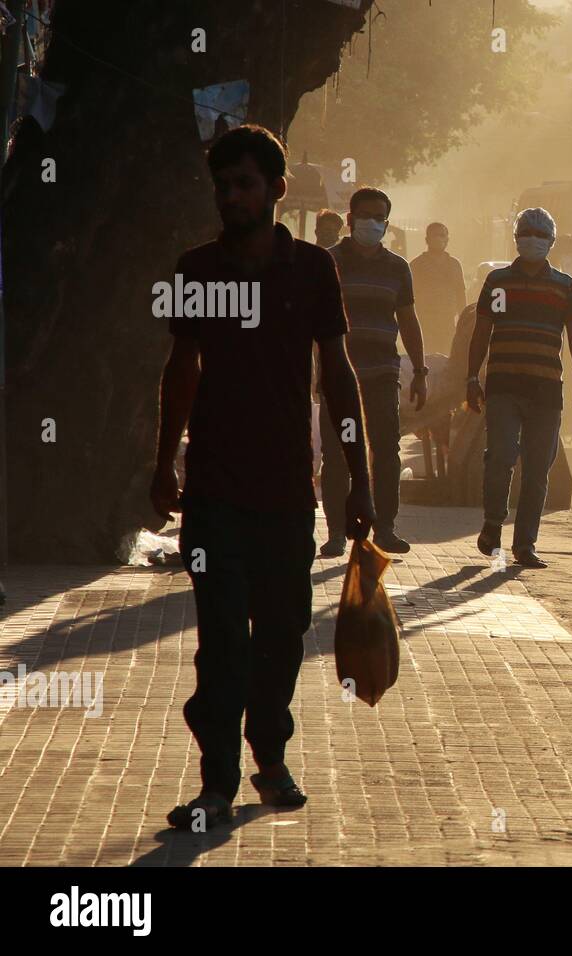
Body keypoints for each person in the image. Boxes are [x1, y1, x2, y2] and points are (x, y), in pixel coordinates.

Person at [150, 125, 376, 828]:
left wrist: (358, 480)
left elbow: (338, 376)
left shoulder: (312, 270)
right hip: (214, 490)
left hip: (286, 491)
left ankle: (268, 757)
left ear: (277, 190)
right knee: (222, 642)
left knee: (282, 634)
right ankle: (216, 781)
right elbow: (181, 370)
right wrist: (164, 464)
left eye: (245, 184)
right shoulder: (196, 269)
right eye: (223, 186)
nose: (232, 197)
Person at [466, 207, 572, 568]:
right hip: (503, 386)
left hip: (546, 390)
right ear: (517, 237)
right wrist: (472, 377)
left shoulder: (565, 286)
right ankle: (492, 525)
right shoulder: (497, 282)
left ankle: (525, 545)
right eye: (527, 233)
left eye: (540, 235)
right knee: (501, 456)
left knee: (538, 469)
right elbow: (482, 331)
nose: (532, 239)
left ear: (551, 241)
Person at [319, 186, 427, 556]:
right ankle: (335, 533)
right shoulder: (328, 262)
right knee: (336, 454)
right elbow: (308, 321)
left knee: (385, 451)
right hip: (337, 377)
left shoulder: (398, 268)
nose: (372, 223)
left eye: (379, 217)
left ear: (387, 222)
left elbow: (409, 322)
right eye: (365, 216)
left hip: (382, 374)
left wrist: (421, 370)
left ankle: (385, 529)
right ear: (350, 220)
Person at [410, 222, 466, 355]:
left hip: (447, 323)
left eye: (442, 235)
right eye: (435, 235)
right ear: (427, 239)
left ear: (447, 239)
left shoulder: (454, 264)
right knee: (427, 358)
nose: (439, 239)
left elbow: (460, 294)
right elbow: (410, 297)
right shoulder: (416, 265)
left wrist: (463, 322)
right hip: (425, 323)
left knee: (447, 358)